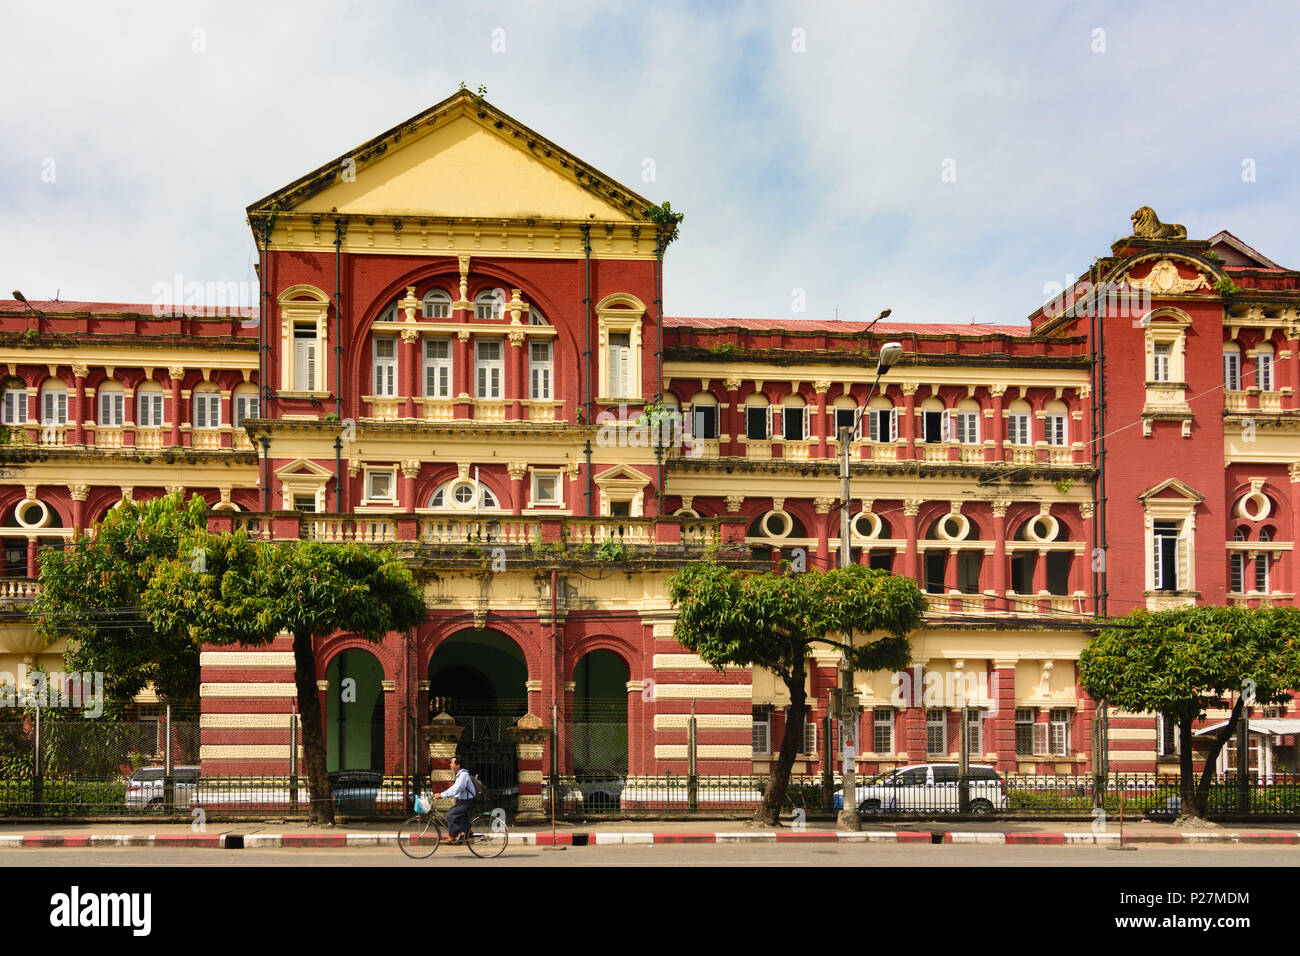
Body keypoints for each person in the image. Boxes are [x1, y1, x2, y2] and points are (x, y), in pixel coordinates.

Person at [439, 756, 476, 844]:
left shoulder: (463, 775)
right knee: (457, 816)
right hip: (462, 800)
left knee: (450, 815)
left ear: (458, 765)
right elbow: (454, 788)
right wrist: (442, 794)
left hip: (467, 801)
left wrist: (442, 795)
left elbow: (457, 789)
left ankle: (452, 836)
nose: (450, 765)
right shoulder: (459, 775)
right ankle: (468, 831)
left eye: (452, 763)